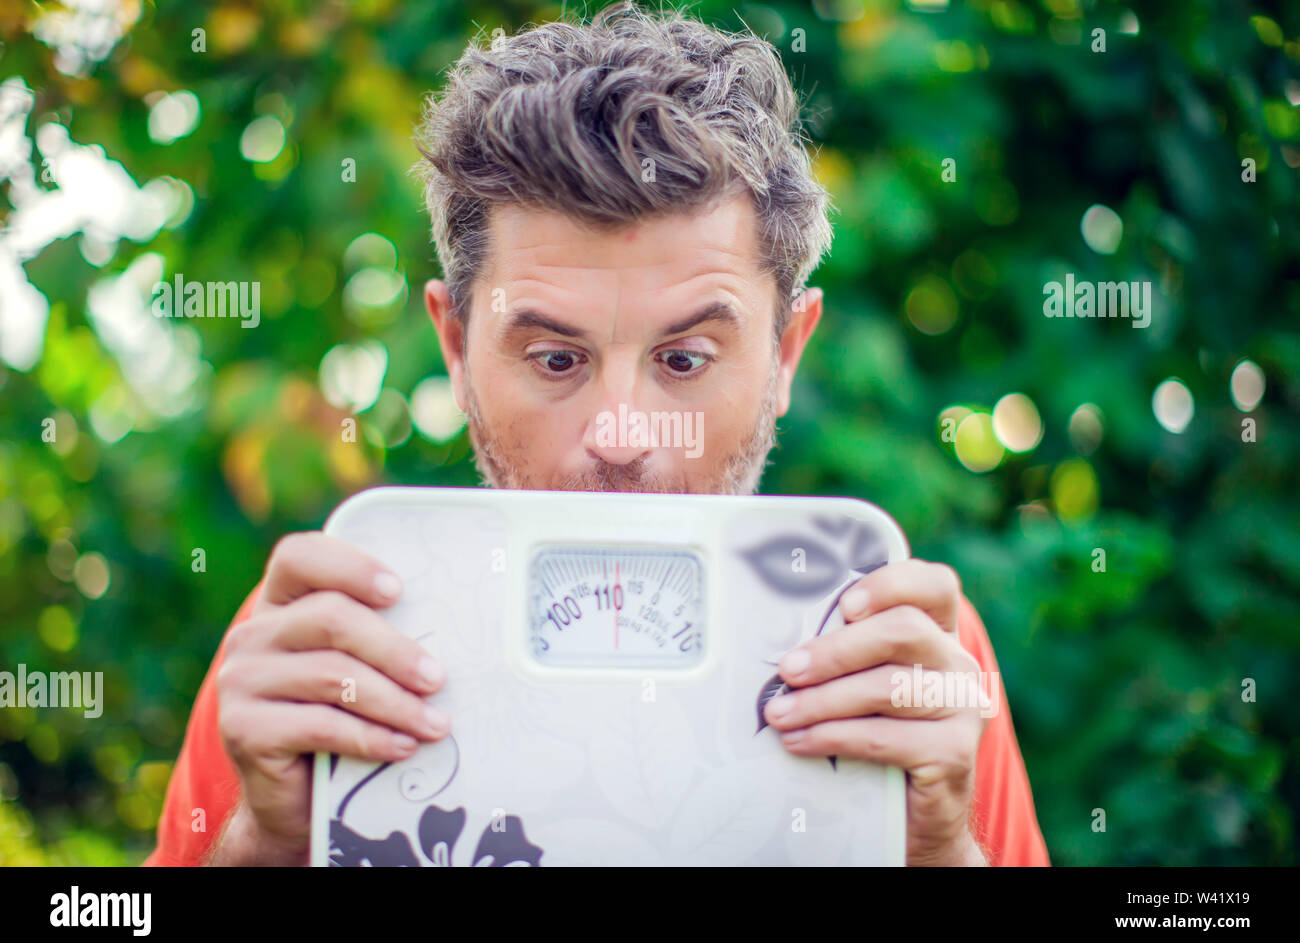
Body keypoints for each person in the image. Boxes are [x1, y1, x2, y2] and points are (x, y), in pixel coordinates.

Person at [145, 0, 1049, 866]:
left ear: (785, 356)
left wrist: (939, 853)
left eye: (686, 360)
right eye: (555, 361)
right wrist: (262, 847)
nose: (620, 435)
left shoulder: (901, 646)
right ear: (456, 351)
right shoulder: (327, 643)